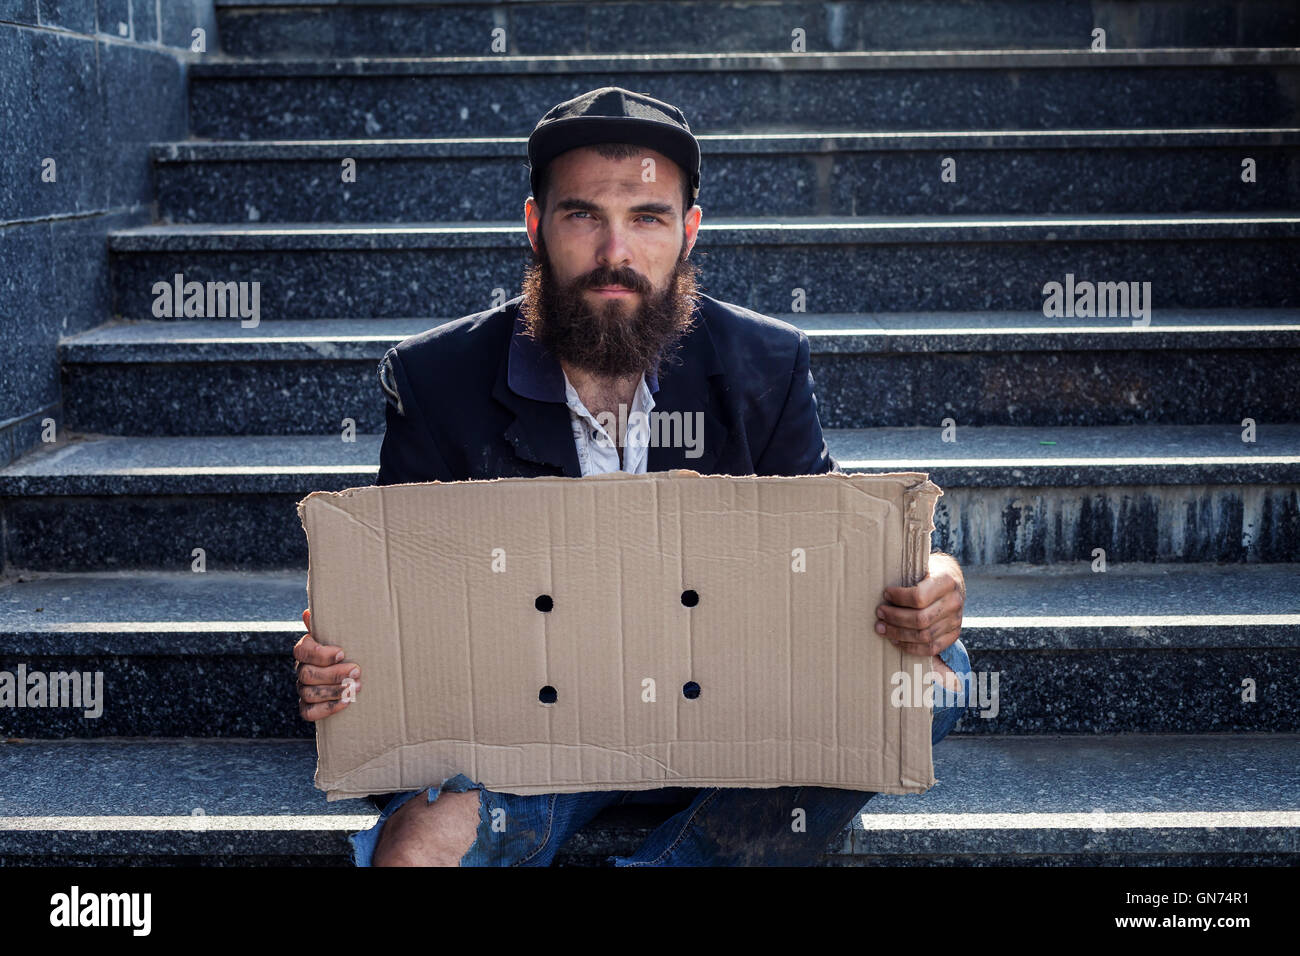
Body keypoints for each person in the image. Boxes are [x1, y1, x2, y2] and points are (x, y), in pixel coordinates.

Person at [293, 87, 970, 866]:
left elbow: (830, 551)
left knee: (938, 672)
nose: (615, 252)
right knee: (417, 847)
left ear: (688, 233)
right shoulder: (435, 377)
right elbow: (390, 596)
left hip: (728, 717)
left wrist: (930, 580)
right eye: (583, 215)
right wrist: (330, 657)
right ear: (536, 228)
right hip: (529, 732)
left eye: (647, 218)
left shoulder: (765, 363)